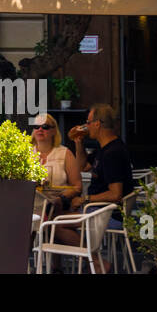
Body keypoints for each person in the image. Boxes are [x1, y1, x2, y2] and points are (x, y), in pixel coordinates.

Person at [60, 103, 135, 271]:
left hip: (108, 215)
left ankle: (97, 263)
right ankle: (96, 261)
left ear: (97, 123)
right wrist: (78, 142)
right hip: (99, 211)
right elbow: (83, 167)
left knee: (53, 224)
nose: (85, 126)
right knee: (55, 219)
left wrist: (85, 199)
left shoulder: (113, 153)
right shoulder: (105, 148)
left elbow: (116, 194)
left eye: (88, 122)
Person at [31, 112, 80, 204]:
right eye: (36, 126)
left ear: (54, 131)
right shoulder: (26, 153)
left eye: (45, 126)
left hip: (57, 208)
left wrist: (61, 199)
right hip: (29, 205)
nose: (40, 129)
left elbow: (77, 187)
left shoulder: (65, 153)